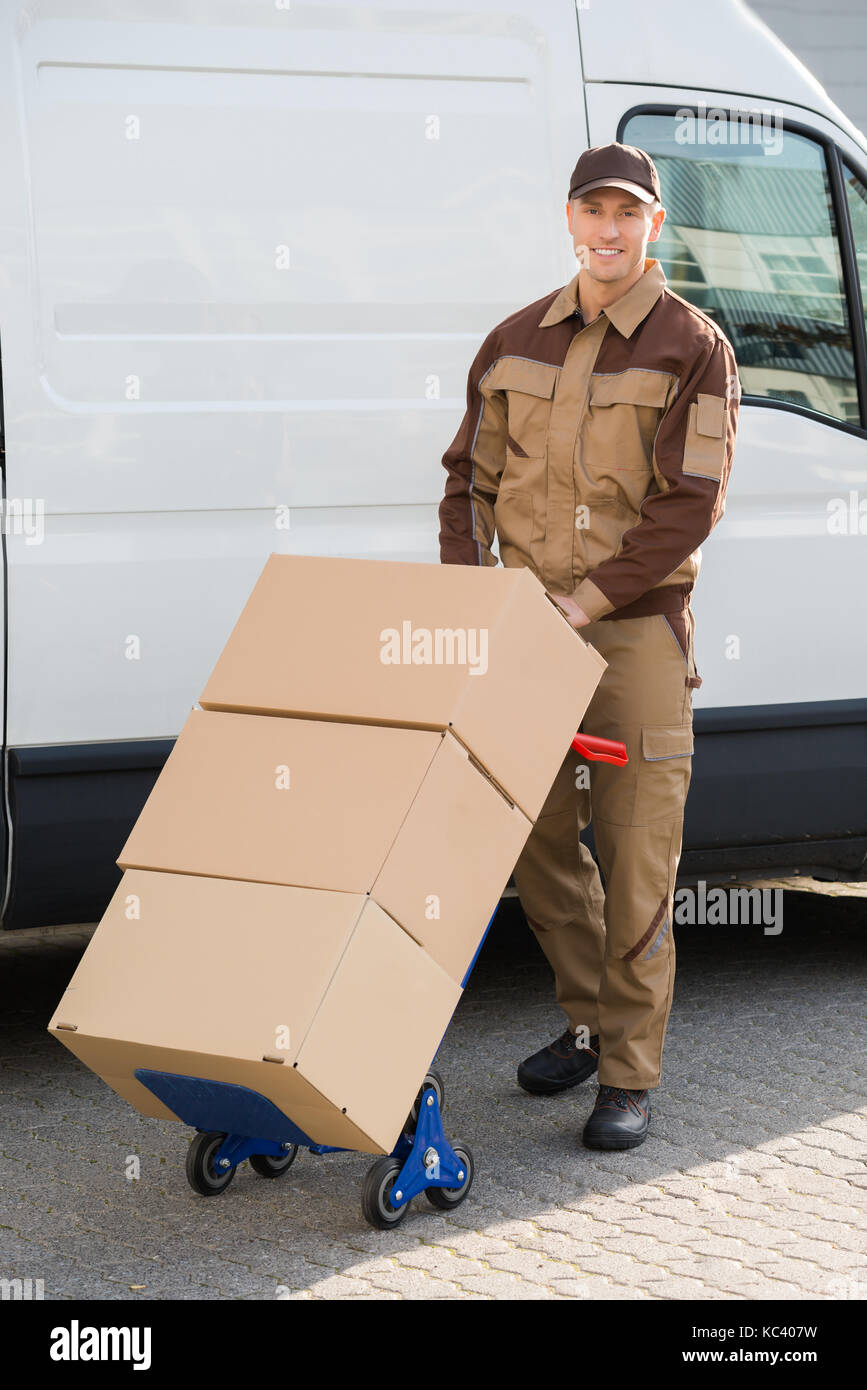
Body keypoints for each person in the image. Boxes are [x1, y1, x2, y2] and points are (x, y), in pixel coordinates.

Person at [437, 143, 740, 1150]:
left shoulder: (692, 346)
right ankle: (588, 1018)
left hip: (635, 638)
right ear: (567, 218)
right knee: (532, 842)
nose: (609, 230)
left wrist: (593, 599)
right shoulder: (513, 339)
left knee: (637, 854)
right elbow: (464, 483)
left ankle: (628, 1073)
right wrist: (469, 597)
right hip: (524, 636)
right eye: (592, 210)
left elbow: (689, 503)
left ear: (656, 225)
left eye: (629, 214)